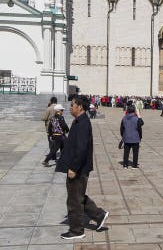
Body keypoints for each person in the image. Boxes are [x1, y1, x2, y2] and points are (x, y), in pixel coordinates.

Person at [56, 95, 108, 241]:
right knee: (77, 196)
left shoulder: (83, 123)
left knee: (74, 200)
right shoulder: (80, 121)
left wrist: (73, 168)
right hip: (78, 167)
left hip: (78, 169)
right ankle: (99, 215)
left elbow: (81, 149)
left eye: (72, 105)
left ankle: (77, 230)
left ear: (80, 107)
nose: (70, 107)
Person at [120, 104, 144, 168]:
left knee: (126, 152)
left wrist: (123, 136)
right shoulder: (137, 118)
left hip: (127, 137)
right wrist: (139, 115)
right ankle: (134, 165)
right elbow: (141, 124)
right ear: (134, 111)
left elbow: (121, 129)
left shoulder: (124, 118)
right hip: (135, 138)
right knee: (135, 152)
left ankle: (125, 165)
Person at [41, 96, 58, 163]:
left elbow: (44, 118)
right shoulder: (59, 108)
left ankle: (52, 155)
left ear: (51, 101)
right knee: (56, 142)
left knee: (51, 142)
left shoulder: (49, 108)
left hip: (50, 127)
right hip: (57, 127)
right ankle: (54, 155)